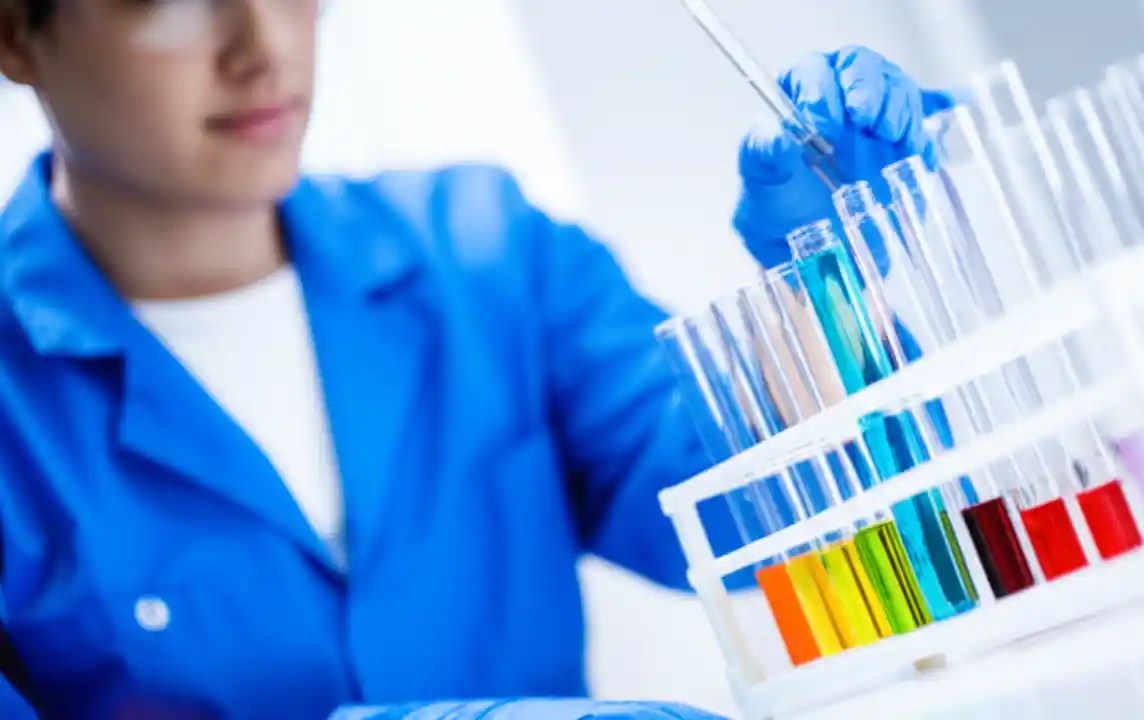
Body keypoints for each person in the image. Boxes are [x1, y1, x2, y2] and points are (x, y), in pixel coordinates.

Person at [0, 1, 953, 718]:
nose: (264, 46)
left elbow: (765, 522)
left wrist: (827, 282)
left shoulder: (484, 254)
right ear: (15, 34)